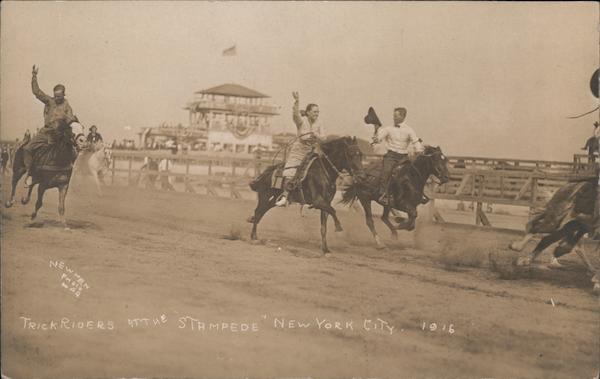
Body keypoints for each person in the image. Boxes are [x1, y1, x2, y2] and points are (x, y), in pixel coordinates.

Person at [22, 65, 76, 186]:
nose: (56, 98)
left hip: (59, 135)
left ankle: (68, 171)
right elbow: (37, 92)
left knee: (72, 151)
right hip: (45, 133)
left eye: (59, 96)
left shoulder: (67, 106)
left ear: (64, 95)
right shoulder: (49, 101)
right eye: (55, 96)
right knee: (27, 148)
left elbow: (71, 120)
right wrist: (34, 76)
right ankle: (30, 174)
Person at [275, 92, 325, 207]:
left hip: (311, 151)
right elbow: (295, 115)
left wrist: (317, 136)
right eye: (314, 112)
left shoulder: (320, 123)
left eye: (318, 112)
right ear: (308, 113)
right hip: (298, 150)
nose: (316, 114)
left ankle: (312, 197)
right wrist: (296, 101)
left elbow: (324, 137)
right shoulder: (301, 122)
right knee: (291, 171)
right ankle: (285, 197)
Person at [372, 107, 424, 205]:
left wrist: (419, 150)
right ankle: (383, 194)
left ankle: (419, 194)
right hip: (391, 156)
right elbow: (377, 139)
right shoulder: (388, 129)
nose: (394, 118)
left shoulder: (409, 130)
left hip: (403, 158)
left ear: (403, 116)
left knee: (414, 173)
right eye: (393, 116)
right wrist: (376, 130)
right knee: (386, 172)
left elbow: (415, 141)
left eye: (396, 116)